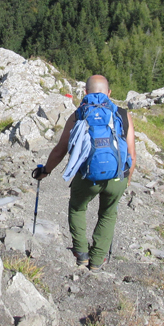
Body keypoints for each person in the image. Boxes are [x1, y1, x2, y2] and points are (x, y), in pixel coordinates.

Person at [33, 75, 135, 271]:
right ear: (109, 93)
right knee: (108, 214)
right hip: (117, 176)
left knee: (78, 209)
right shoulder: (123, 115)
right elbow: (131, 153)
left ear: (86, 93)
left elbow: (60, 150)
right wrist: (126, 180)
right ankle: (97, 261)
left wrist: (45, 171)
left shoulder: (79, 114)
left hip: (87, 176)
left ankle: (81, 253)